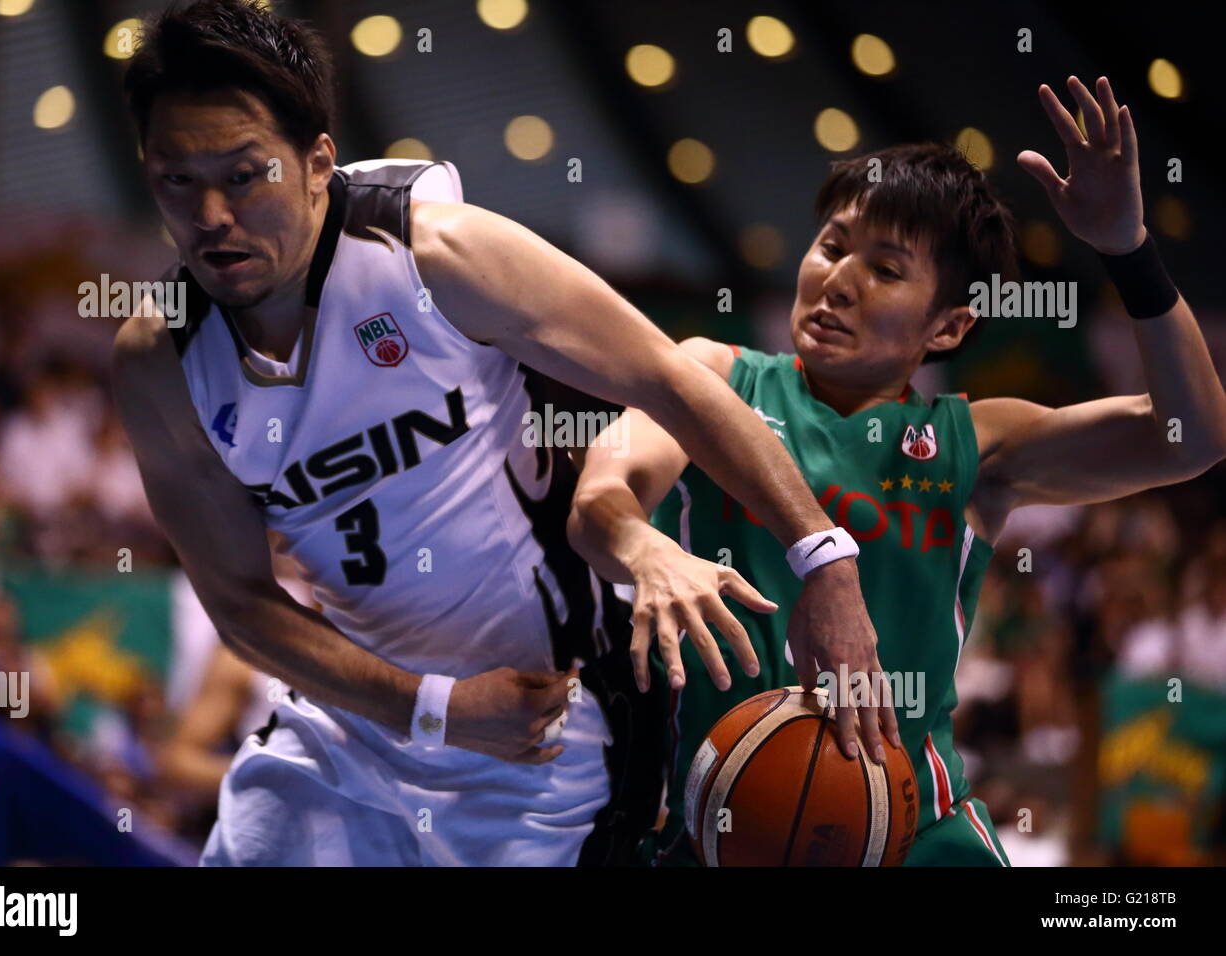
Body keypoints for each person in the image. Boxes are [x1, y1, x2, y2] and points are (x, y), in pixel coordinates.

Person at [112, 0, 884, 865]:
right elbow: (240, 606)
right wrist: (433, 706)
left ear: (318, 162)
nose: (211, 214)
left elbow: (671, 378)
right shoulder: (159, 360)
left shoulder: (433, 254)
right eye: (176, 180)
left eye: (244, 175)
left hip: (552, 724)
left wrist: (826, 561)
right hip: (351, 728)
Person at [568, 76, 1226, 865]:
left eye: (885, 269)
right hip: (716, 826)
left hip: (917, 831)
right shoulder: (712, 375)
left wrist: (1128, 250)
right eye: (832, 247)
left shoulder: (978, 442)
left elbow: (1192, 437)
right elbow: (600, 499)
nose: (838, 280)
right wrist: (646, 551)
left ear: (948, 325)